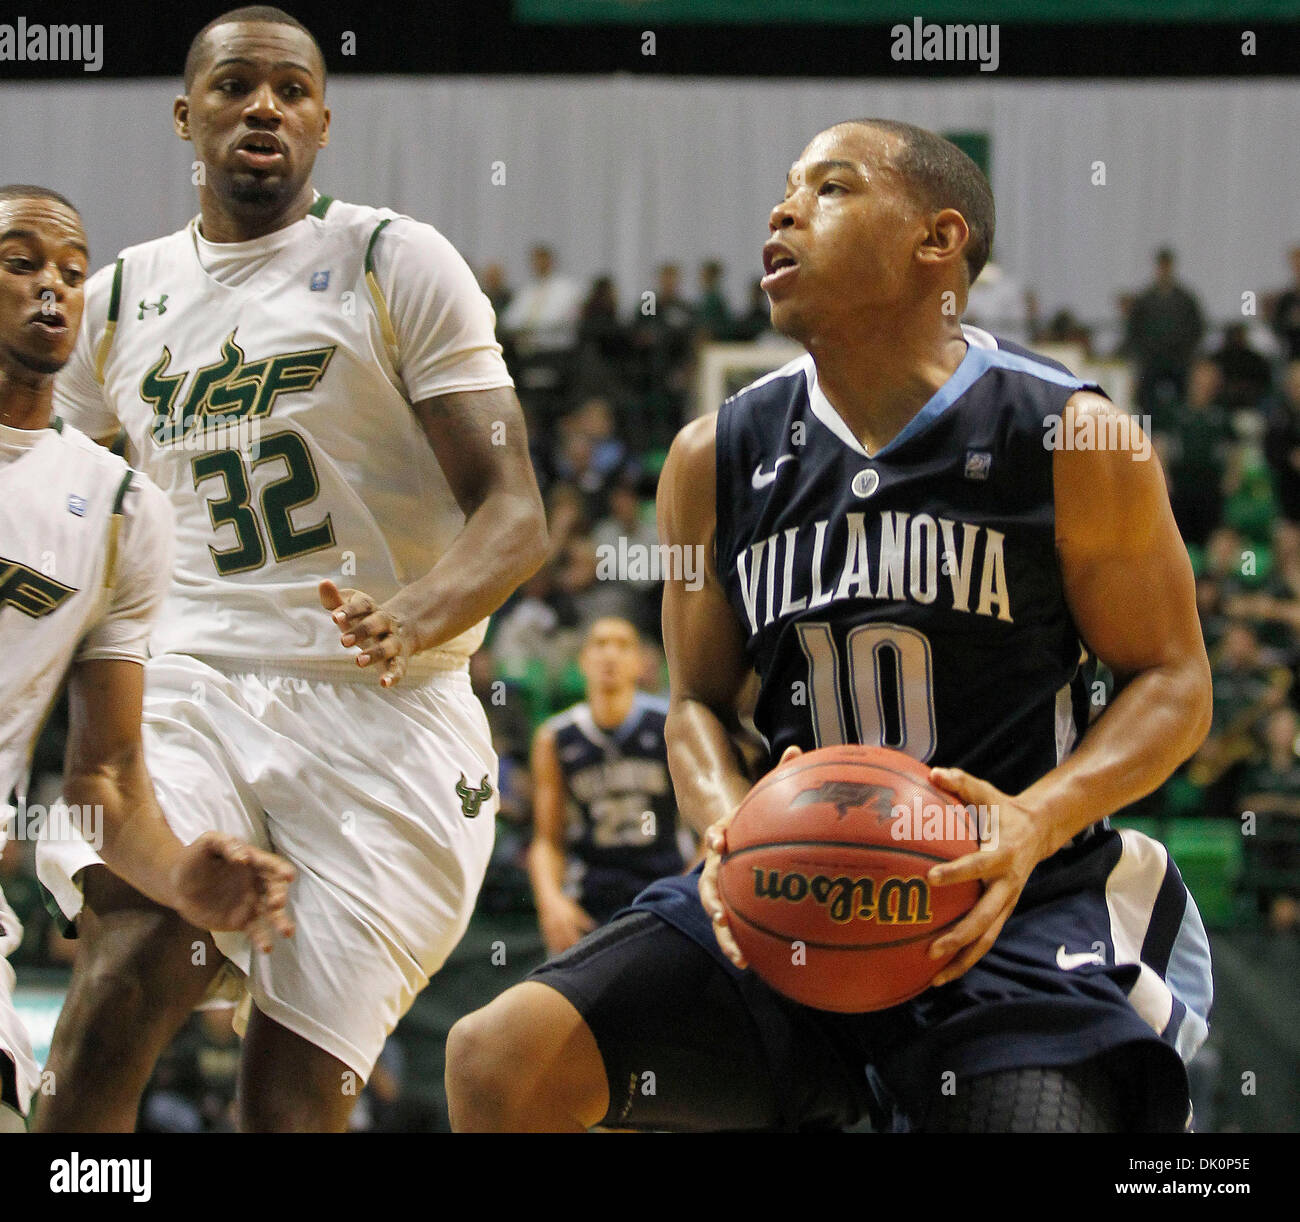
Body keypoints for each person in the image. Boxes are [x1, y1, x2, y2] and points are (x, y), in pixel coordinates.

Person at [446, 119, 1215, 1133]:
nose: (783, 209)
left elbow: (1173, 681)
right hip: (786, 896)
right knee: (499, 1061)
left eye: (832, 187)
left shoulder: (1074, 434)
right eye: (784, 189)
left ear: (935, 242)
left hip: (1003, 909)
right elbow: (694, 706)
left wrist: (1035, 819)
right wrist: (725, 825)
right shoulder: (709, 456)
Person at [33, 7, 547, 1134]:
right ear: (187, 115)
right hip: (191, 684)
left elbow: (517, 516)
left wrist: (414, 615)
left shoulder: (391, 261)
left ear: (322, 120)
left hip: (388, 714)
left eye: (289, 90)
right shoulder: (117, 298)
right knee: (131, 958)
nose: (262, 106)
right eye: (233, 88)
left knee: (290, 1104)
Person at [0, 184, 294, 1133]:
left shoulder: (120, 507)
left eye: (73, 273)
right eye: (21, 262)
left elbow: (108, 777)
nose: (53, 287)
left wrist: (183, 879)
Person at [526, 618, 690, 955]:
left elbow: (707, 833)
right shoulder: (555, 738)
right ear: (583, 660)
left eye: (622, 645)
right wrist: (550, 902)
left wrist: (690, 890)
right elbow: (547, 841)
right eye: (599, 644)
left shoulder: (671, 727)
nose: (609, 655)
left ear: (640, 663)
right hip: (590, 898)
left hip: (664, 888)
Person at [1123, 247, 1206, 418]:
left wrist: (1186, 352)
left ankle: (1179, 431)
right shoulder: (1146, 299)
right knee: (1146, 402)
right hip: (1152, 360)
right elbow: (1134, 329)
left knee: (1182, 402)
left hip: (1178, 360)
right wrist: (1144, 353)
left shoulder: (1184, 298)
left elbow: (1196, 327)